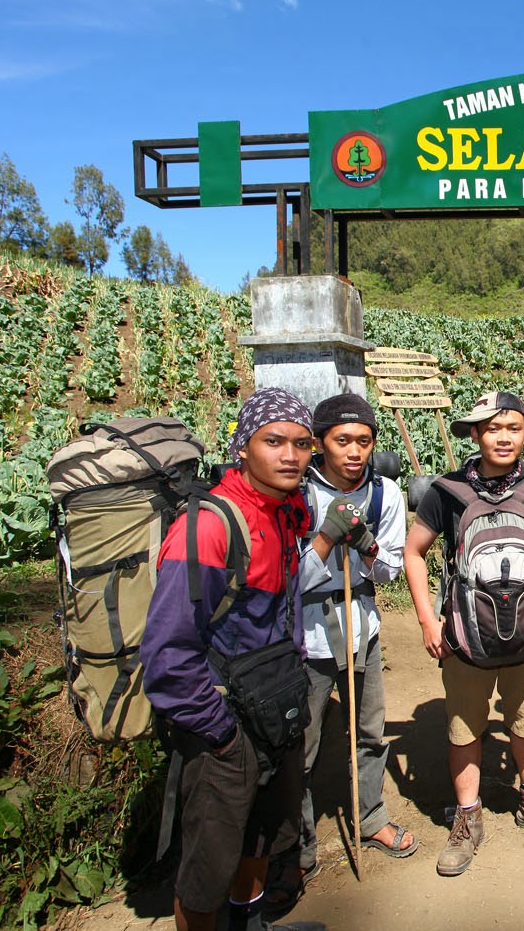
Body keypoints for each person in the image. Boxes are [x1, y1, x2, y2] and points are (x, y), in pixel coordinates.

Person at [141, 388, 316, 931]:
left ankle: (250, 925)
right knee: (208, 867)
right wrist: (220, 735)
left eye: (302, 444)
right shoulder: (209, 528)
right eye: (274, 441)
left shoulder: (287, 513)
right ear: (243, 447)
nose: (290, 455)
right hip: (223, 723)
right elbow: (167, 654)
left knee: (261, 838)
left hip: (274, 710)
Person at [403, 391, 524, 877]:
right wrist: (427, 620)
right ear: (475, 434)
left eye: (513, 428)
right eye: (493, 428)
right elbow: (413, 552)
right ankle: (467, 817)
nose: (504, 438)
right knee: (464, 727)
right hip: (465, 636)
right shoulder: (445, 492)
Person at [267, 394, 412, 911]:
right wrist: (328, 536)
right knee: (299, 748)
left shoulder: (384, 493)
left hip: (361, 629)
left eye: (364, 441)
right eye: (342, 440)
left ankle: (370, 817)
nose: (354, 451)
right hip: (305, 638)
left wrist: (366, 543)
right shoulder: (295, 494)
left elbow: (390, 571)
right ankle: (297, 848)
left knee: (369, 730)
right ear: (319, 444)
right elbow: (288, 579)